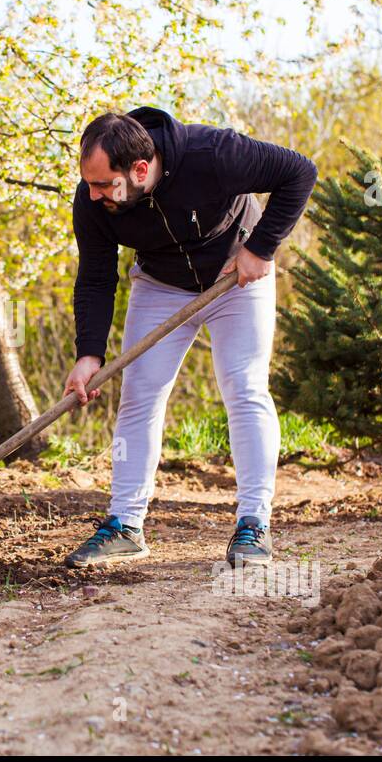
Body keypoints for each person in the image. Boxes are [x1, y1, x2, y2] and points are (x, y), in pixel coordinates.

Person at [62, 108, 317, 569]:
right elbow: (96, 275)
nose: (94, 195)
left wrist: (260, 249)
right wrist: (89, 353)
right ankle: (125, 525)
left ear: (140, 170)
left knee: (244, 387)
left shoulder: (212, 154)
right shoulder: (92, 199)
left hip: (236, 276)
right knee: (139, 394)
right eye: (90, 184)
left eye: (104, 185)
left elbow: (298, 171)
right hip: (161, 285)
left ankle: (253, 524)